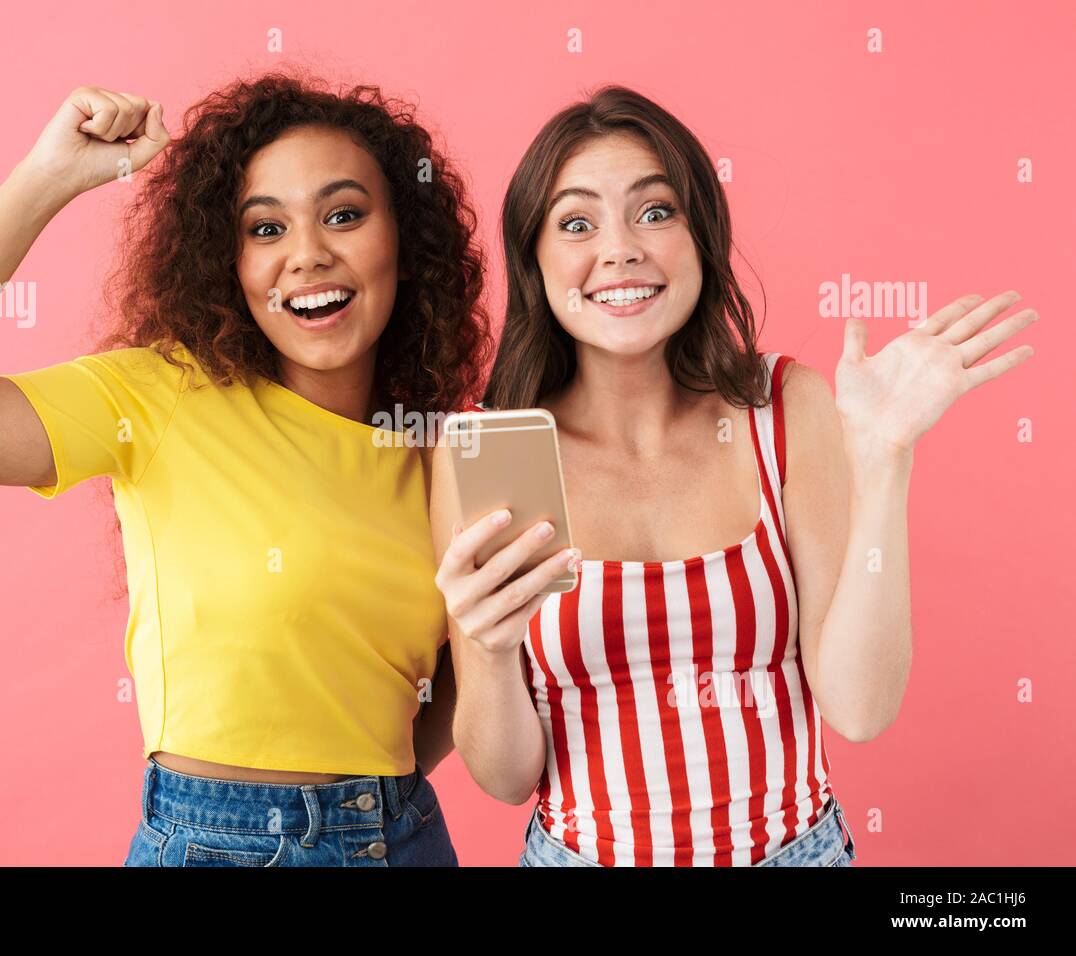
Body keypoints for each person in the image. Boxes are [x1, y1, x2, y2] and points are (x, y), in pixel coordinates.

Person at [0, 73, 491, 867]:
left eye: (343, 216)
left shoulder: (443, 451)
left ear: (405, 245)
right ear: (226, 262)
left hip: (404, 836)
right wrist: (44, 181)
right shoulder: (160, 396)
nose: (308, 255)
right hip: (217, 844)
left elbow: (463, 671)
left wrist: (368, 805)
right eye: (265, 229)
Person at [430, 85, 1036, 866]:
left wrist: (884, 459)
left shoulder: (785, 407)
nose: (620, 249)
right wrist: (486, 646)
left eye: (655, 212)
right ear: (535, 259)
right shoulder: (487, 450)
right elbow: (506, 778)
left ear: (701, 234)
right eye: (576, 223)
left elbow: (859, 709)